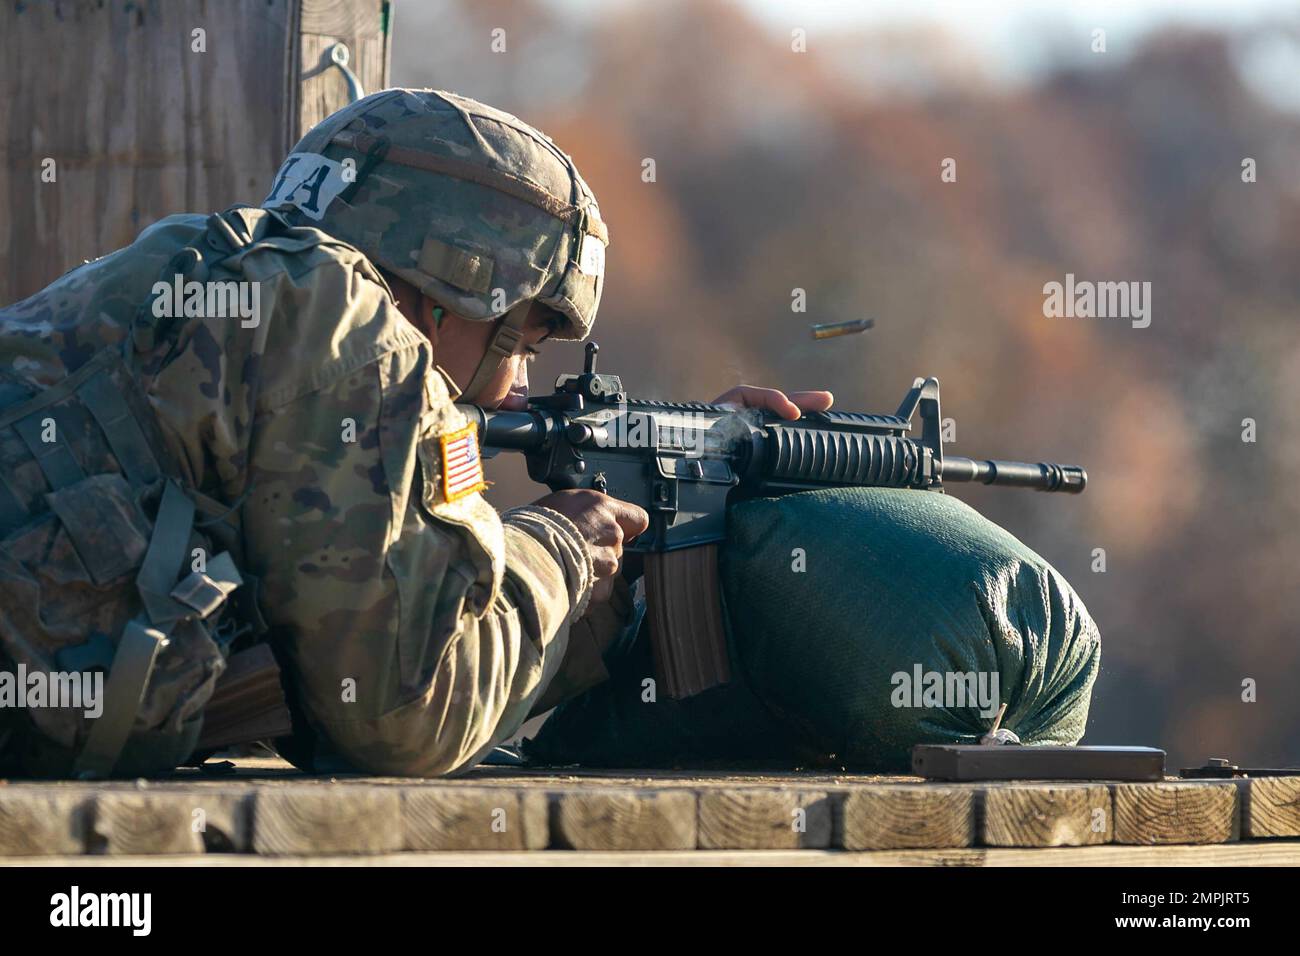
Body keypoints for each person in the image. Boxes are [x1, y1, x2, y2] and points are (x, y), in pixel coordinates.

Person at [0, 88, 829, 777]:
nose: (518, 389)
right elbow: (405, 719)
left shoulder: (191, 270)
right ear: (459, 291)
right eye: (525, 345)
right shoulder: (349, 328)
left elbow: (319, 683)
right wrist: (559, 551)